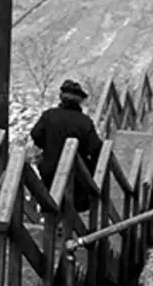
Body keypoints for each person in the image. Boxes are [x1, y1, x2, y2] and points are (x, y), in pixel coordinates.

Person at [30, 80, 103, 210]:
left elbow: (36, 135)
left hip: (49, 171)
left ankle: (53, 223)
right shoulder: (84, 122)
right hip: (76, 177)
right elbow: (96, 148)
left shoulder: (49, 115)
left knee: (52, 201)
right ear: (80, 100)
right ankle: (70, 224)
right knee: (75, 202)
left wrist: (48, 147)